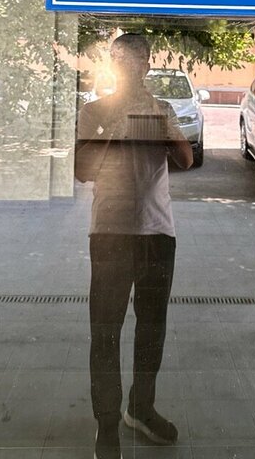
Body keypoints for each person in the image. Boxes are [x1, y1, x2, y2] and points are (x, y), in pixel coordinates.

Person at [75, 33, 193, 459]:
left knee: (152, 328)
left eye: (139, 60)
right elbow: (82, 170)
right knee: (106, 330)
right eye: (123, 59)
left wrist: (160, 121)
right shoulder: (93, 111)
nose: (132, 66)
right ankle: (107, 424)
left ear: (147, 65)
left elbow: (185, 160)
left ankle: (141, 409)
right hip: (109, 231)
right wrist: (116, 124)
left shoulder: (162, 109)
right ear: (112, 63)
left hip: (158, 232)